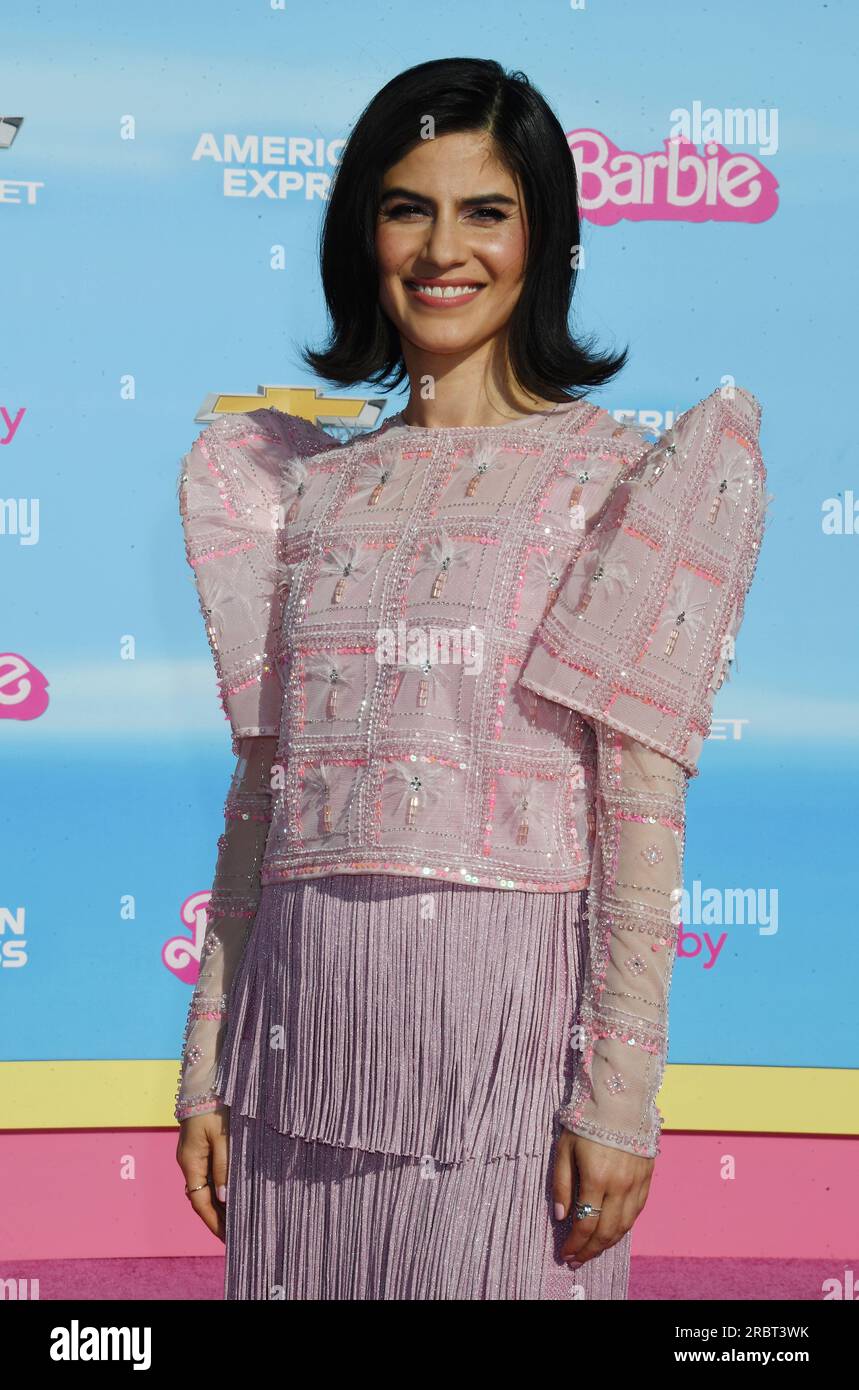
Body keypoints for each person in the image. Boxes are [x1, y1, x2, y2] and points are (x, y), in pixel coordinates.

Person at [174, 57, 767, 1300]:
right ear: (362, 233)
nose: (444, 250)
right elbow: (261, 805)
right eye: (407, 207)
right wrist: (211, 1062)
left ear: (544, 238)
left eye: (485, 211)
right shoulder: (300, 493)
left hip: (504, 1057)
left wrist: (617, 1096)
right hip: (300, 1053)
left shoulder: (618, 483)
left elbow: (639, 818)